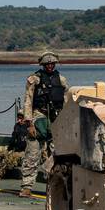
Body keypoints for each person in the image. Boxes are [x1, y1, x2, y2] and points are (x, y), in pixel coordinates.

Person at [18, 52, 69, 198]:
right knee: (33, 153)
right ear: (43, 65)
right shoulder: (34, 79)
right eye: (48, 64)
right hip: (38, 116)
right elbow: (28, 100)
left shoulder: (62, 80)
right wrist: (29, 123)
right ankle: (27, 186)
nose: (50, 66)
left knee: (57, 155)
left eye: (52, 64)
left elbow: (66, 101)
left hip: (56, 118)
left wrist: (65, 122)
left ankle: (54, 186)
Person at [0, 112, 30, 180]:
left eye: (21, 118)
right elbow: (12, 140)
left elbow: (22, 143)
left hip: (23, 151)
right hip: (14, 148)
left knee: (11, 157)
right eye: (18, 118)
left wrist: (21, 130)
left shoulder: (29, 128)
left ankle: (0, 174)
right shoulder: (17, 126)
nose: (19, 120)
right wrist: (9, 148)